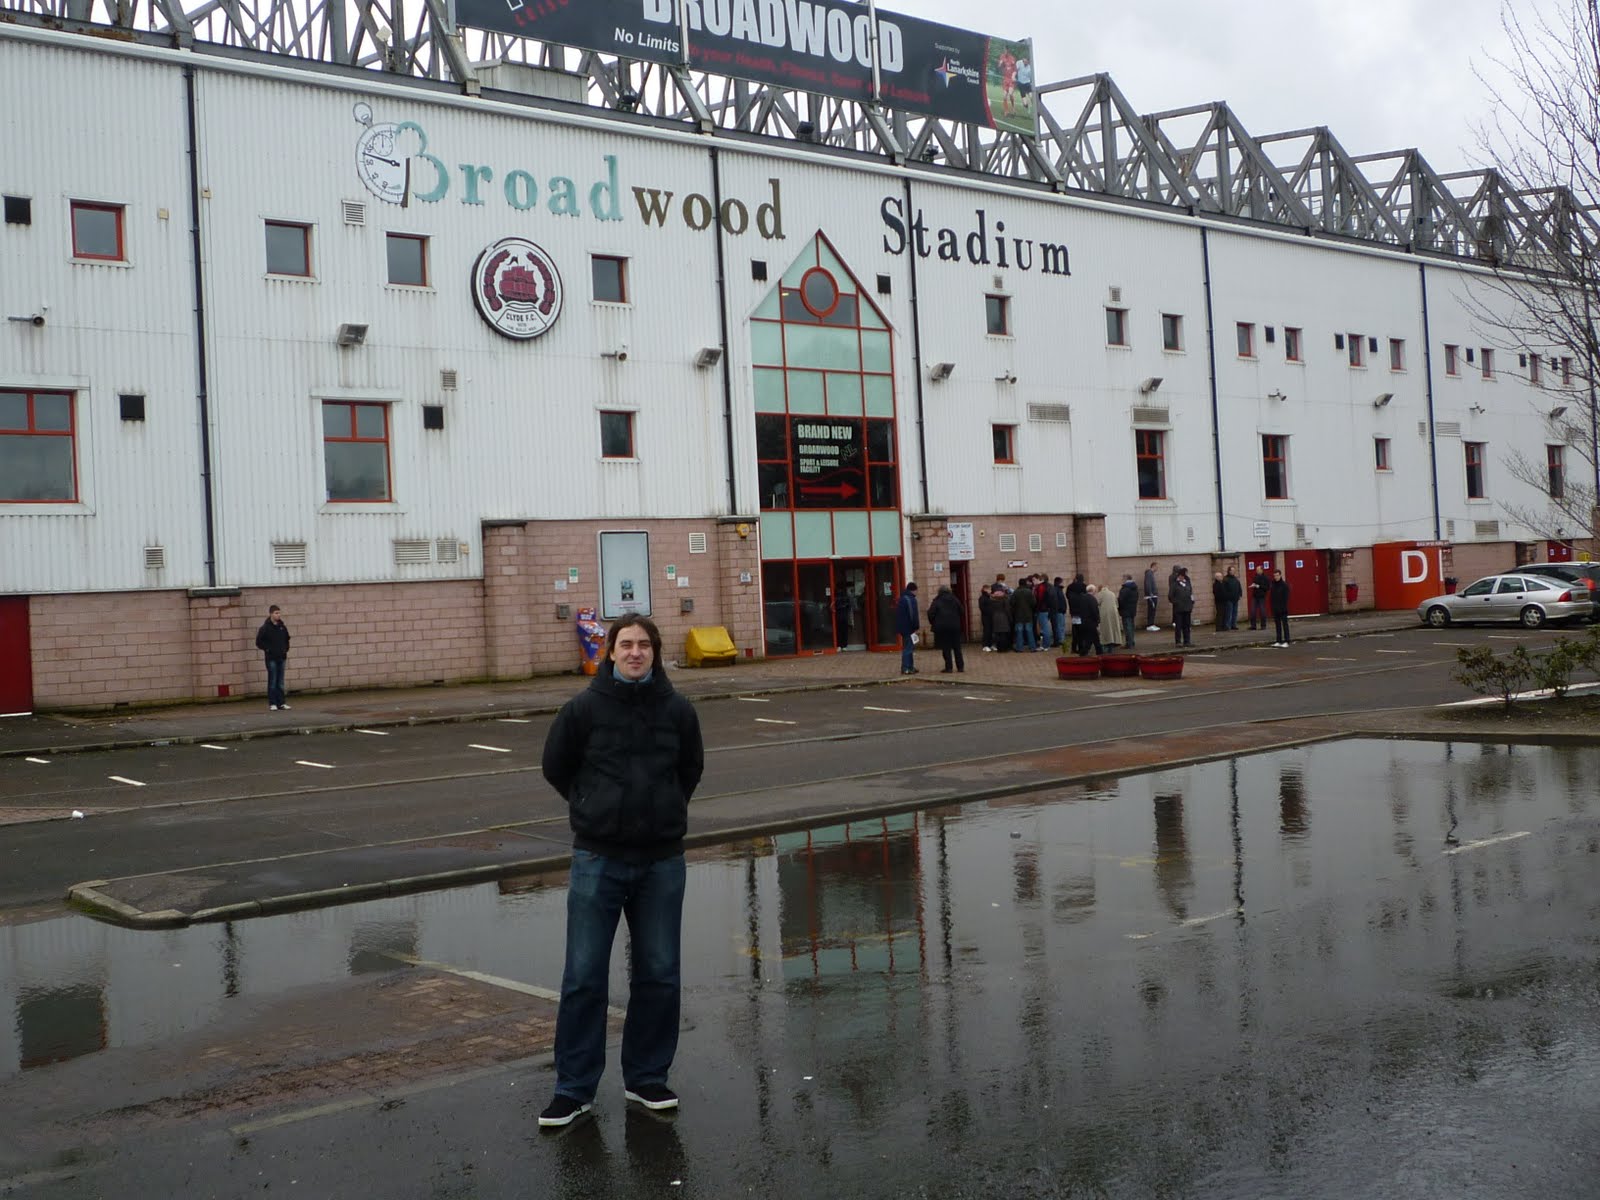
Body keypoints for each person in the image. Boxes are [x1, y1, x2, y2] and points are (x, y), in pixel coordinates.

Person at [538, 614, 705, 1128]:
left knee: (659, 974)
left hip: (661, 861)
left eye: (643, 645)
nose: (634, 652)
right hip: (599, 859)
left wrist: (663, 811)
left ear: (654, 652)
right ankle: (574, 1089)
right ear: (610, 652)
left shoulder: (678, 711)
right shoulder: (583, 710)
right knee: (584, 977)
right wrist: (593, 807)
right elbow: (555, 766)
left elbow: (691, 770)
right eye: (625, 645)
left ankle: (647, 1078)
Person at [254, 605, 291, 711]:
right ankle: (273, 703)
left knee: (281, 681)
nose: (278, 615)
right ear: (271, 614)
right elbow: (259, 642)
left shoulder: (282, 627)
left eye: (279, 613)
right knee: (273, 681)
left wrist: (285, 649)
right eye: (276, 613)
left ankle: (281, 703)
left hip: (282, 657)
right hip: (271, 658)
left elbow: (287, 639)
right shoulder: (265, 628)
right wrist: (268, 649)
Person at [928, 585, 965, 674]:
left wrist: (934, 622)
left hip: (943, 628)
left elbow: (931, 613)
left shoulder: (937, 601)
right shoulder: (955, 599)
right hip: (955, 626)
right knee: (957, 647)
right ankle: (960, 667)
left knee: (946, 648)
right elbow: (962, 611)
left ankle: (949, 668)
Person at [895, 582, 920, 674]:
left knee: (908, 646)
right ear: (913, 590)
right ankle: (906, 667)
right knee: (908, 648)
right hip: (909, 627)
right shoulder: (911, 600)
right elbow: (913, 615)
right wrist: (916, 626)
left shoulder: (902, 598)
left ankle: (910, 666)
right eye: (916, 590)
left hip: (903, 627)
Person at [1009, 577, 1037, 652]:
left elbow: (1011, 603)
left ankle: (1019, 648)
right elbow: (1034, 603)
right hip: (1028, 615)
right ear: (1025, 583)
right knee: (1030, 631)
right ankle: (1033, 648)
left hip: (1018, 615)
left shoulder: (1015, 592)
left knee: (1019, 632)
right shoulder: (1029, 592)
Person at [1168, 567, 1194, 647]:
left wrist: (1192, 602)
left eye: (1183, 576)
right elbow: (1170, 596)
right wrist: (1176, 602)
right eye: (1181, 576)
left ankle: (1187, 641)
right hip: (1179, 608)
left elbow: (1191, 593)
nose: (1182, 577)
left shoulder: (1188, 583)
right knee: (1178, 625)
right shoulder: (1174, 585)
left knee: (1187, 625)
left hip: (1187, 607)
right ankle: (1178, 641)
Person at [1269, 568, 1293, 646]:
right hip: (1275, 608)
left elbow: (1285, 598)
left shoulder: (1284, 585)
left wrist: (1282, 607)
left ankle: (1287, 640)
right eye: (1274, 576)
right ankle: (1278, 640)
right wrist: (1272, 607)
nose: (1276, 577)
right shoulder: (1273, 585)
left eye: (1277, 575)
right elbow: (1271, 597)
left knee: (1285, 625)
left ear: (1280, 575)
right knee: (1277, 625)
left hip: (1283, 609)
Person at [1117, 574, 1140, 649]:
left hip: (1125, 610)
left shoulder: (1125, 589)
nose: (1122, 580)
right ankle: (1132, 642)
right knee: (1131, 626)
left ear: (1126, 579)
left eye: (1123, 579)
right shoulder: (1135, 588)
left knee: (1127, 627)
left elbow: (1121, 600)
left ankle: (1129, 643)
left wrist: (1119, 608)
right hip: (1132, 609)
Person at [991, 581, 1013, 652]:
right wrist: (1010, 619)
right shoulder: (1004, 599)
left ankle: (999, 648)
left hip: (995, 617)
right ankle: (1004, 648)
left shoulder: (992, 599)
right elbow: (1007, 610)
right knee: (1004, 634)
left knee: (998, 634)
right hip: (1003, 617)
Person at [1096, 581, 1119, 650]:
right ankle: (1114, 642)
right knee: (1113, 628)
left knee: (1105, 629)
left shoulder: (1100, 594)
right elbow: (1116, 604)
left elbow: (1096, 603)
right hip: (1113, 613)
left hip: (1104, 614)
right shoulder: (1112, 593)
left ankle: (1106, 644)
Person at [1249, 565, 1271, 631]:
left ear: (1262, 570)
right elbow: (1255, 583)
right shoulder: (1255, 576)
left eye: (1258, 570)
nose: (1257, 571)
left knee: (1262, 611)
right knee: (1253, 611)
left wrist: (1259, 586)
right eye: (1256, 570)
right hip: (1255, 596)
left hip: (1262, 596)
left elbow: (1267, 587)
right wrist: (1253, 585)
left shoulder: (1266, 578)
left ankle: (1263, 625)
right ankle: (1253, 626)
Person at [833, 584, 855, 650]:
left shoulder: (836, 596)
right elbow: (849, 606)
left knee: (839, 631)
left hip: (839, 615)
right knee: (844, 631)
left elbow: (834, 605)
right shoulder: (846, 596)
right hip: (844, 615)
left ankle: (839, 645)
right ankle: (844, 646)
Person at [1223, 567, 1243, 631]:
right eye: (1232, 570)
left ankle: (1233, 625)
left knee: (1235, 613)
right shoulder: (1225, 579)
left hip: (1235, 599)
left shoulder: (1235, 579)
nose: (1233, 572)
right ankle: (1227, 626)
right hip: (1229, 599)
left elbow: (1239, 587)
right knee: (1229, 613)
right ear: (1229, 571)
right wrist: (1227, 596)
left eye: (1234, 570)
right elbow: (1224, 590)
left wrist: (1240, 594)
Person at [978, 584, 996, 652]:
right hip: (986, 617)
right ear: (985, 589)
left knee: (991, 631)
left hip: (991, 617)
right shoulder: (982, 598)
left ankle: (990, 645)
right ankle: (985, 645)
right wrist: (990, 612)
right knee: (987, 631)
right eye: (990, 589)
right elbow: (982, 608)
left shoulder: (989, 597)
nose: (991, 591)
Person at [1143, 562, 1160, 631]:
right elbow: (1148, 584)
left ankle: (1151, 624)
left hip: (1153, 595)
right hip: (1151, 596)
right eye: (1157, 567)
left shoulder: (1151, 574)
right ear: (1153, 566)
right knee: (1151, 610)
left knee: (1153, 610)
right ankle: (1150, 625)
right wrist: (1150, 594)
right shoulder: (1149, 573)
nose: (1157, 568)